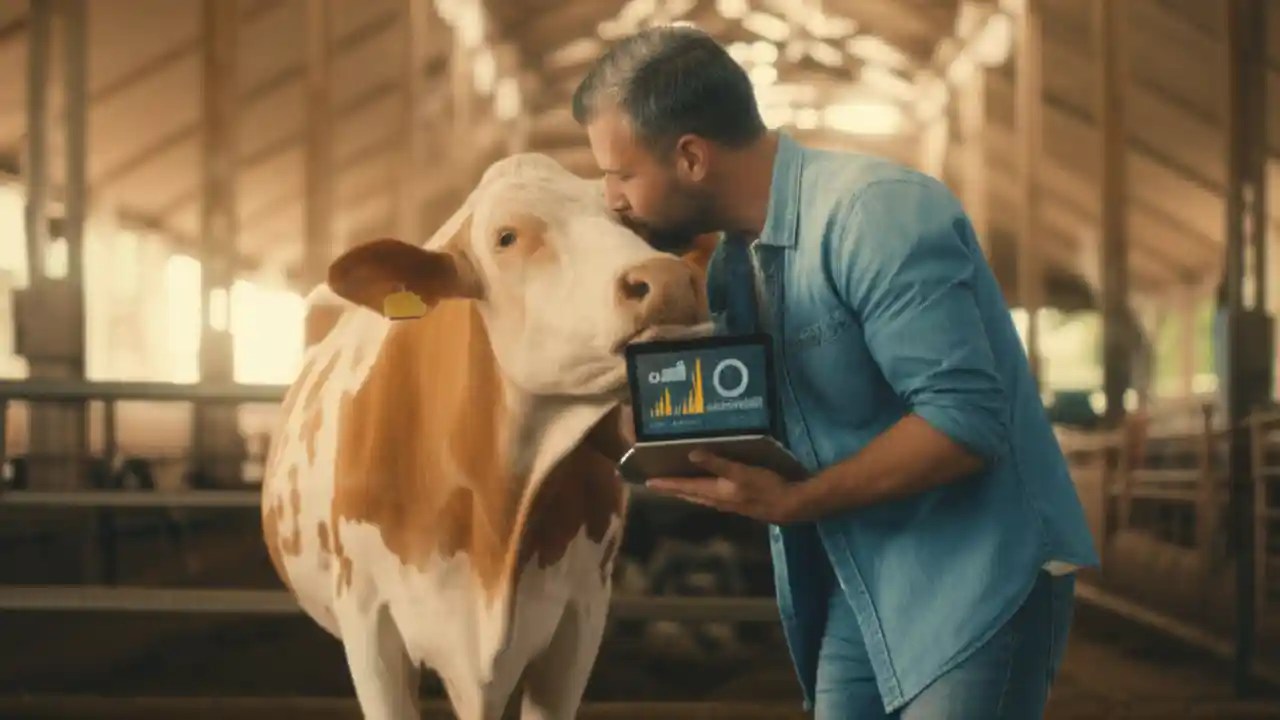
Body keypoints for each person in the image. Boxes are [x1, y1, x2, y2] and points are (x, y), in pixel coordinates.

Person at [572, 25, 1100, 719]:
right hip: (858, 572)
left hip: (975, 576)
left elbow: (966, 423)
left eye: (620, 174)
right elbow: (742, 412)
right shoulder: (735, 266)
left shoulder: (874, 214)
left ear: (692, 157)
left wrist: (798, 502)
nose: (610, 197)